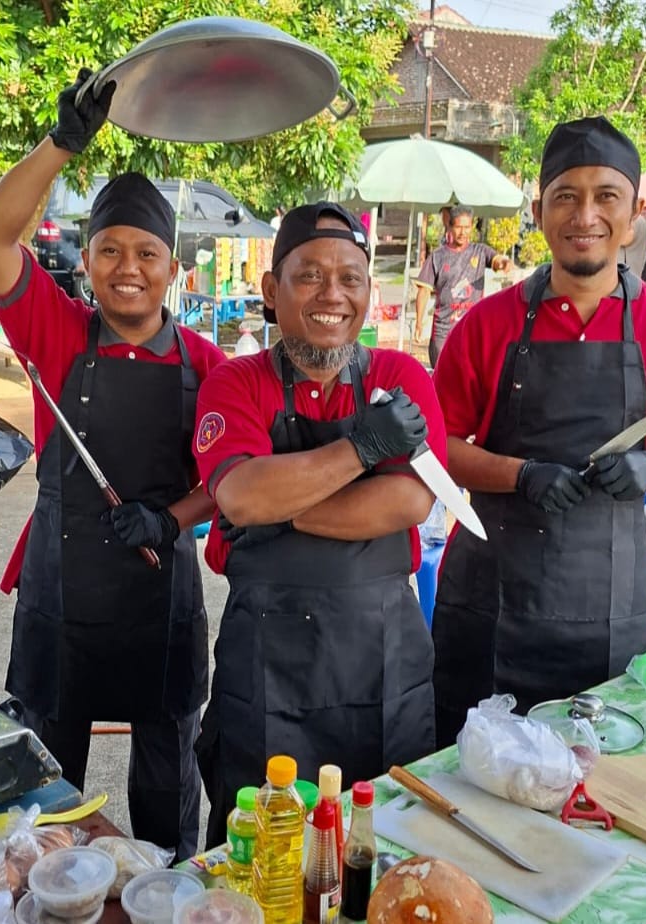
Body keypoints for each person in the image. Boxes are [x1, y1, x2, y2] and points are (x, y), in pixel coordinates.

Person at [0, 70, 226, 861]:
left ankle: (171, 894)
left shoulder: (211, 362)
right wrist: (63, 144)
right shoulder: (56, 331)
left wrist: (175, 515)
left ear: (173, 269)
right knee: (47, 793)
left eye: (147, 252)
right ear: (86, 260)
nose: (127, 267)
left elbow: (230, 479)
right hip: (62, 596)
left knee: (166, 788)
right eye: (109, 249)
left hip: (161, 594)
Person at [429, 116, 646, 739]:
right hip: (491, 602)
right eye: (566, 195)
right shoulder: (486, 324)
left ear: (634, 213)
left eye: (605, 196)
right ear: (540, 211)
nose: (584, 214)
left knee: (599, 782)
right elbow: (437, 450)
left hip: (610, 611)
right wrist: (521, 473)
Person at [193, 203, 443, 846]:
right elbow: (242, 495)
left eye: (351, 278)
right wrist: (361, 451)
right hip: (266, 663)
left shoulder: (401, 377)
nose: (333, 295)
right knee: (260, 855)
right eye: (309, 276)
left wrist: (279, 503)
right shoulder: (234, 382)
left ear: (370, 292)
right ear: (273, 291)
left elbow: (409, 504)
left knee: (380, 846)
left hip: (384, 660)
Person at [414, 205, 510, 368]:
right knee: (442, 379)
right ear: (450, 227)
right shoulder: (437, 257)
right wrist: (418, 322)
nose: (463, 232)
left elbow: (496, 260)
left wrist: (503, 263)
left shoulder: (480, 252)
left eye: (467, 227)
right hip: (443, 332)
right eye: (458, 227)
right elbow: (424, 291)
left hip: (472, 330)